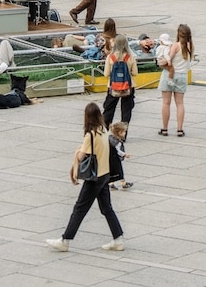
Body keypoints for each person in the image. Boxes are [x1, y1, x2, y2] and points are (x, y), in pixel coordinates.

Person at [46, 103, 125, 252]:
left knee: (80, 208)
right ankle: (118, 239)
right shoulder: (103, 130)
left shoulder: (91, 135)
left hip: (94, 178)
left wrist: (77, 152)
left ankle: (65, 240)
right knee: (106, 208)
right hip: (105, 174)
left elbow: (82, 156)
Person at [158, 24, 195, 137]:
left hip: (170, 74)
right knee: (180, 104)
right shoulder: (191, 47)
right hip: (182, 76)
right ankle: (179, 129)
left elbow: (168, 59)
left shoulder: (175, 45)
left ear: (178, 34)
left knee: (166, 102)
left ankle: (165, 129)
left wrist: (160, 62)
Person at [102, 34, 138, 128]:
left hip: (113, 86)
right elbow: (135, 73)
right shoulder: (130, 57)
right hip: (128, 86)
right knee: (126, 111)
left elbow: (106, 74)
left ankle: (105, 131)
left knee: (109, 109)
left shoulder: (110, 57)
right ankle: (123, 134)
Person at [108, 122, 133, 191]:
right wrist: (124, 154)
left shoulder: (110, 138)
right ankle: (123, 183)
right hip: (116, 159)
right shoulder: (117, 141)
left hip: (110, 158)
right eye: (124, 132)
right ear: (119, 132)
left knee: (112, 171)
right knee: (119, 171)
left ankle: (111, 183)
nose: (125, 133)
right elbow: (118, 151)